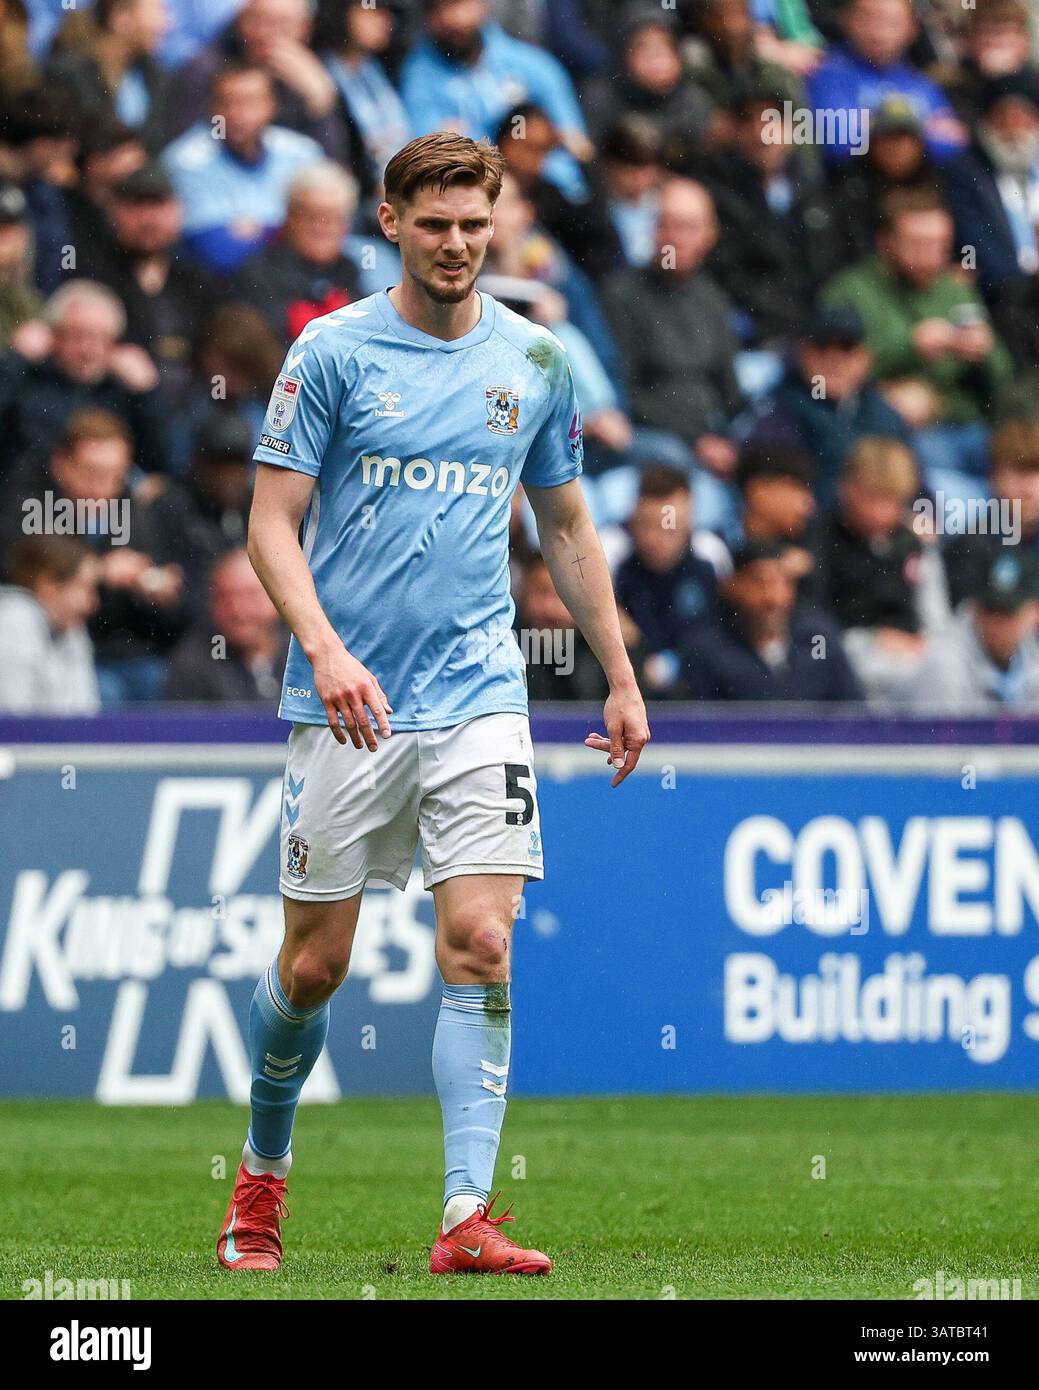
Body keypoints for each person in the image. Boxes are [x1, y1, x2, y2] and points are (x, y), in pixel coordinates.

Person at [216, 131, 649, 1277]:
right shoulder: (333, 354)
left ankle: (465, 1214)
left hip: (479, 695)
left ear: (494, 223)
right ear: (394, 222)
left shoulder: (535, 360)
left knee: (484, 939)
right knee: (314, 968)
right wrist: (325, 648)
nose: (458, 243)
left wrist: (615, 669)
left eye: (475, 223)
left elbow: (562, 524)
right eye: (436, 222)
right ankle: (260, 1178)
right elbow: (269, 523)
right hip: (345, 700)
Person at [821, 188, 1013, 499]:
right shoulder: (849, 291)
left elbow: (1003, 376)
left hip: (973, 425)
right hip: (903, 436)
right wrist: (912, 347)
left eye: (939, 244)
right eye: (918, 244)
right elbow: (829, 373)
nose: (930, 254)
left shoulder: (955, 289)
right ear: (886, 242)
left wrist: (984, 352)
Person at [599, 176, 743, 529]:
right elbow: (625, 393)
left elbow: (731, 391)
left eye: (687, 227)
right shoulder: (622, 295)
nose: (673, 237)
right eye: (665, 223)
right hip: (652, 439)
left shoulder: (713, 301)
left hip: (710, 438)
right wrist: (696, 442)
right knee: (690, 480)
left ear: (709, 236)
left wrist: (734, 443)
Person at [161, 62, 325, 276]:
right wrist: (288, 229)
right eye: (227, 102)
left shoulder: (300, 152)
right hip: (226, 285)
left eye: (250, 102)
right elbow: (218, 251)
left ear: (271, 105)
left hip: (298, 277)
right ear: (212, 107)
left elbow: (326, 229)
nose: (238, 114)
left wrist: (256, 230)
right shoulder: (187, 160)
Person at [814, 436, 945, 701]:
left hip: (914, 652)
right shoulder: (821, 540)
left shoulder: (915, 543)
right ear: (847, 490)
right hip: (852, 651)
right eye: (872, 499)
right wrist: (873, 638)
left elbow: (936, 617)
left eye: (892, 501)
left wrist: (924, 642)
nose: (881, 513)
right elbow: (818, 622)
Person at [747, 305, 913, 506]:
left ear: (865, 357)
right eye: (822, 346)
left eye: (846, 347)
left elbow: (917, 487)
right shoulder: (779, 411)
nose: (834, 358)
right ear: (803, 353)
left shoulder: (884, 413)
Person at [678, 539, 863, 701]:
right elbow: (698, 725)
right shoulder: (706, 651)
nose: (772, 598)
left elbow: (853, 715)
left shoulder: (819, 641)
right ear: (732, 586)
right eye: (760, 583)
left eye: (783, 583)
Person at [806, 0, 967, 165]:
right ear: (846, 19)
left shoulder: (921, 83)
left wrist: (874, 125)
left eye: (891, 23)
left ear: (913, 28)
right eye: (867, 19)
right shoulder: (825, 72)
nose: (879, 34)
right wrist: (922, 128)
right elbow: (837, 140)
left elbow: (953, 143)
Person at [613, 465, 719, 696]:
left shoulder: (711, 568)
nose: (656, 540)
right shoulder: (614, 570)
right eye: (647, 527)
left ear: (688, 523)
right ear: (633, 521)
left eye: (669, 529)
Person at [232, 162, 363, 345]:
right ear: (289, 218)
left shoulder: (349, 271)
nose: (321, 229)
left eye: (333, 218)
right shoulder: (257, 274)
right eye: (311, 216)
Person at [906, 550, 1039, 711]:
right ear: (974, 608)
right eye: (990, 610)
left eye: (1008, 613)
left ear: (1033, 613)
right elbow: (931, 736)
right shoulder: (945, 668)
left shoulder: (1032, 661)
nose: (998, 624)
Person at [164, 547, 285, 701]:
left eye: (251, 596)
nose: (239, 611)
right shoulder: (193, 664)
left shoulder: (304, 655)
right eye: (225, 598)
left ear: (277, 596)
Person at [0, 534, 100, 713]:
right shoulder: (12, 620)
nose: (93, 603)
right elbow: (14, 722)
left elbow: (86, 713)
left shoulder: (72, 628)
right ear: (48, 585)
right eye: (84, 587)